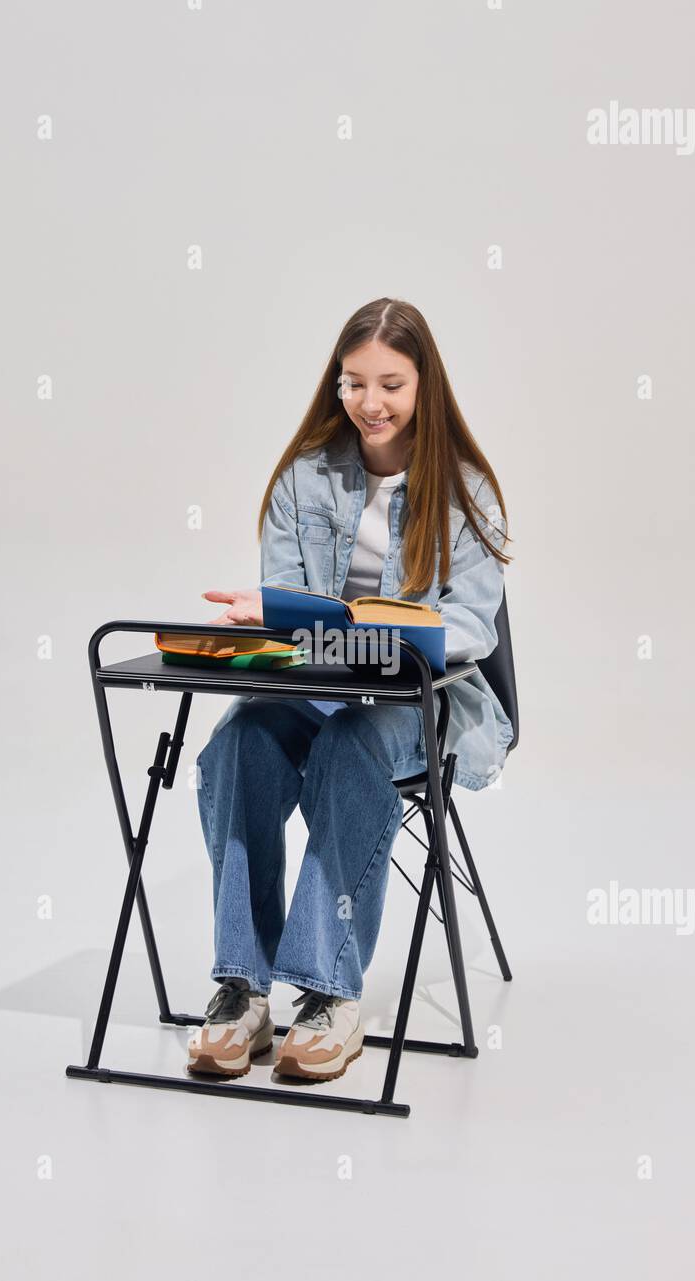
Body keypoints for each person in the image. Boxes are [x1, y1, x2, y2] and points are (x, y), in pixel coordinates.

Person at [187, 297, 514, 1084]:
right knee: (239, 743)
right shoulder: (303, 478)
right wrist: (265, 616)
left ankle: (328, 993)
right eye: (354, 382)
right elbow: (285, 595)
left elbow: (472, 624)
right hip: (315, 684)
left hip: (417, 701)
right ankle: (242, 988)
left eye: (391, 384)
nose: (371, 403)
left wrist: (392, 637)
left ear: (424, 387)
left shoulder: (466, 490)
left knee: (349, 746)